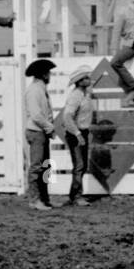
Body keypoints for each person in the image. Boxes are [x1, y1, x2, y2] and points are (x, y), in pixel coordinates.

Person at [23, 58, 58, 212]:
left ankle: (44, 199)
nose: (50, 75)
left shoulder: (39, 89)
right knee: (37, 167)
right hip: (37, 131)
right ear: (43, 74)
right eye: (48, 73)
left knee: (44, 167)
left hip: (40, 131)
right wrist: (49, 127)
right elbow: (36, 115)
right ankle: (35, 199)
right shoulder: (34, 91)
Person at [60, 66, 95, 206]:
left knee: (81, 164)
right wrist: (77, 133)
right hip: (76, 133)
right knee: (80, 165)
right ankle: (76, 196)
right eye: (85, 78)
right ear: (79, 82)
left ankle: (75, 195)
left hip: (81, 132)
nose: (89, 79)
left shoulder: (84, 93)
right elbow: (67, 117)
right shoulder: (76, 96)